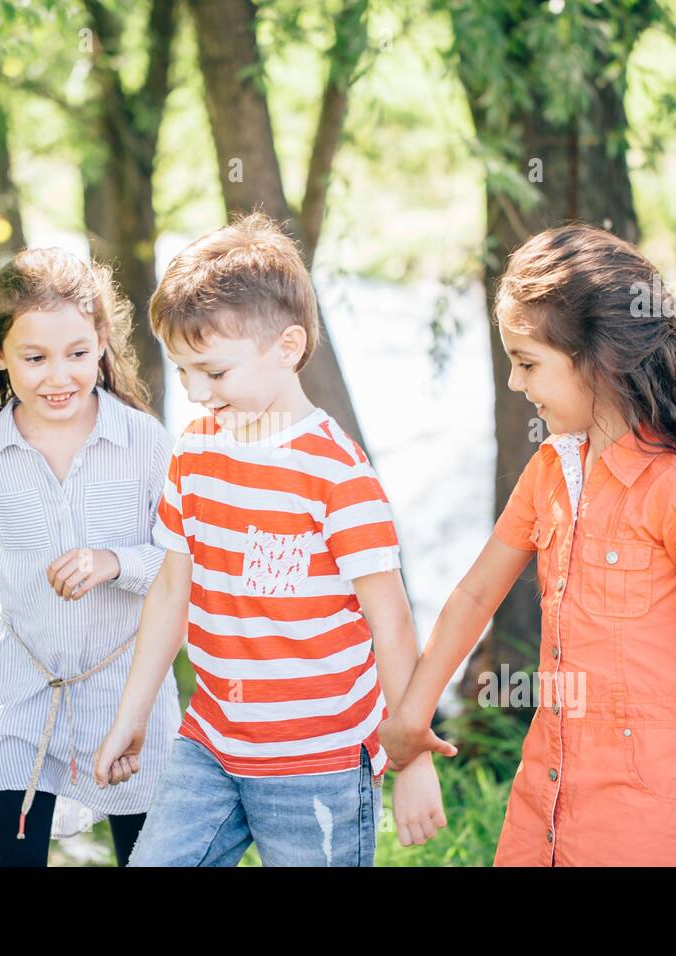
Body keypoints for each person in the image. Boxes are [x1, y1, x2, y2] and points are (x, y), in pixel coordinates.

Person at [380, 223, 676, 867]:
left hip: (653, 816)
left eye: (528, 363)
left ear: (599, 357)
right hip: (545, 802)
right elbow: (474, 595)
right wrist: (413, 715)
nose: (517, 384)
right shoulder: (550, 471)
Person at [94, 212, 447, 865]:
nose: (197, 392)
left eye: (215, 372)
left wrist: (412, 752)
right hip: (213, 746)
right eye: (184, 371)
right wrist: (132, 714)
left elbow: (391, 623)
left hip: (321, 766)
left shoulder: (338, 475)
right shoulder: (194, 453)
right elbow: (172, 591)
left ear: (286, 348)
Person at [0, 247, 181, 867]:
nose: (60, 376)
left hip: (132, 704)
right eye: (35, 357)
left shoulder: (146, 445)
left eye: (78, 353)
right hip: (23, 701)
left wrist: (116, 562)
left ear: (102, 342)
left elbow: (189, 574)